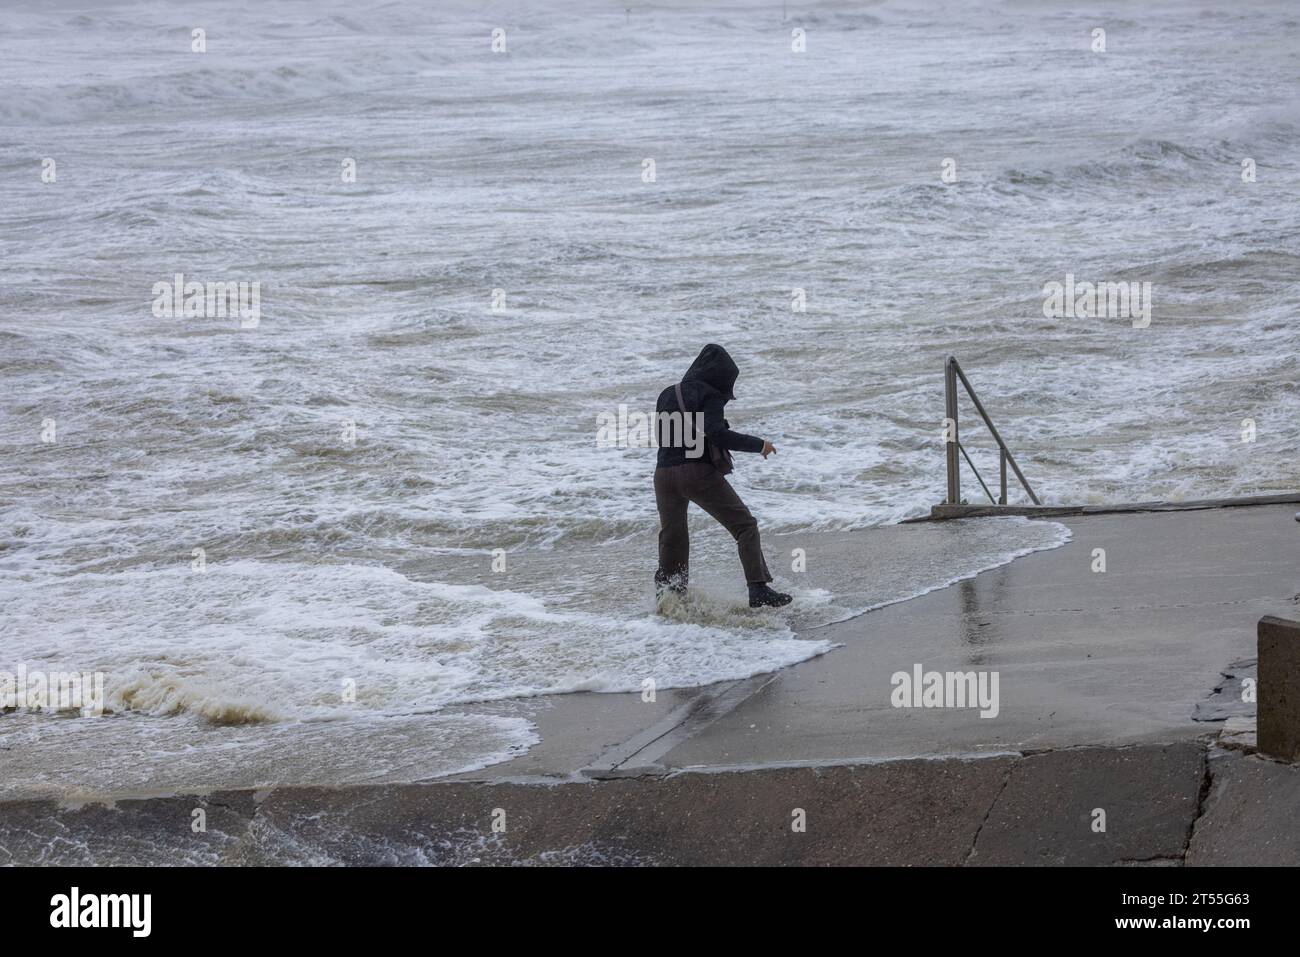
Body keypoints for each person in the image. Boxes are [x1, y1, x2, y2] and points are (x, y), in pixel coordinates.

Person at [653, 344, 793, 608]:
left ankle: (670, 598)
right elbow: (716, 433)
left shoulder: (667, 394)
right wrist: (759, 445)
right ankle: (758, 589)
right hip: (696, 473)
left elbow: (663, 436)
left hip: (663, 475)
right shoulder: (710, 393)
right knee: (745, 526)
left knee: (673, 537)